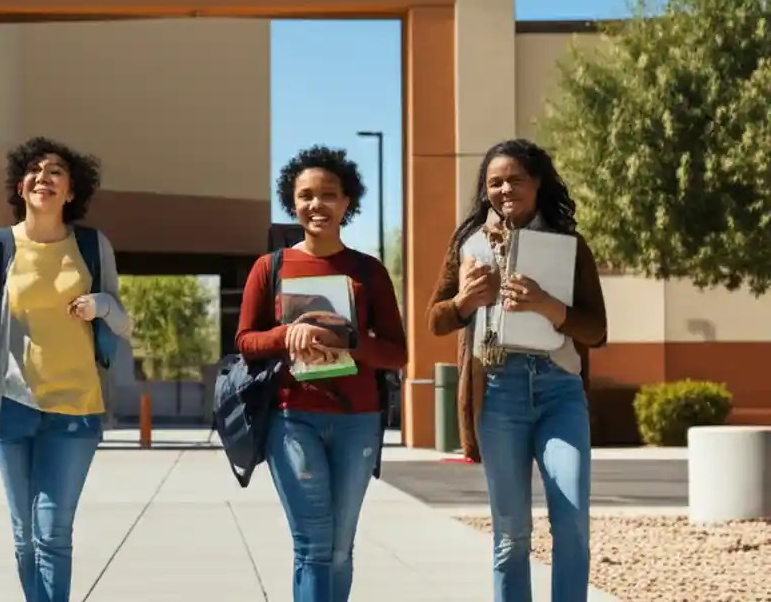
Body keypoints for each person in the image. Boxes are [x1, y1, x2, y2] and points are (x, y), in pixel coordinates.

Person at [426, 138, 606, 602]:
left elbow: (598, 330)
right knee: (510, 535)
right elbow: (435, 320)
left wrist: (549, 306)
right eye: (495, 183)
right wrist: (466, 301)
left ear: (538, 183)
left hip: (558, 391)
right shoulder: (468, 245)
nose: (505, 189)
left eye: (515, 180)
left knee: (572, 522)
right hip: (498, 392)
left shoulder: (569, 245)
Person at [0, 137, 132, 602]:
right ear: (20, 185)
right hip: (12, 407)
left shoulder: (92, 246)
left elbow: (124, 321)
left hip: (76, 408)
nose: (44, 177)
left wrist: (101, 305)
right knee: (25, 535)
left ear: (71, 191)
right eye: (35, 169)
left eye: (56, 171)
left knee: (52, 531)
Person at [236, 145, 407, 602]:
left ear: (347, 202)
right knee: (313, 546)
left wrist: (350, 338)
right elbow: (245, 342)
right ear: (292, 203)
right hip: (292, 419)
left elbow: (397, 354)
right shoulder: (269, 267)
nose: (317, 205)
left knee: (338, 549)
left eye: (329, 194)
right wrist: (284, 335)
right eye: (306, 195)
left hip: (359, 421)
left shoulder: (368, 272)